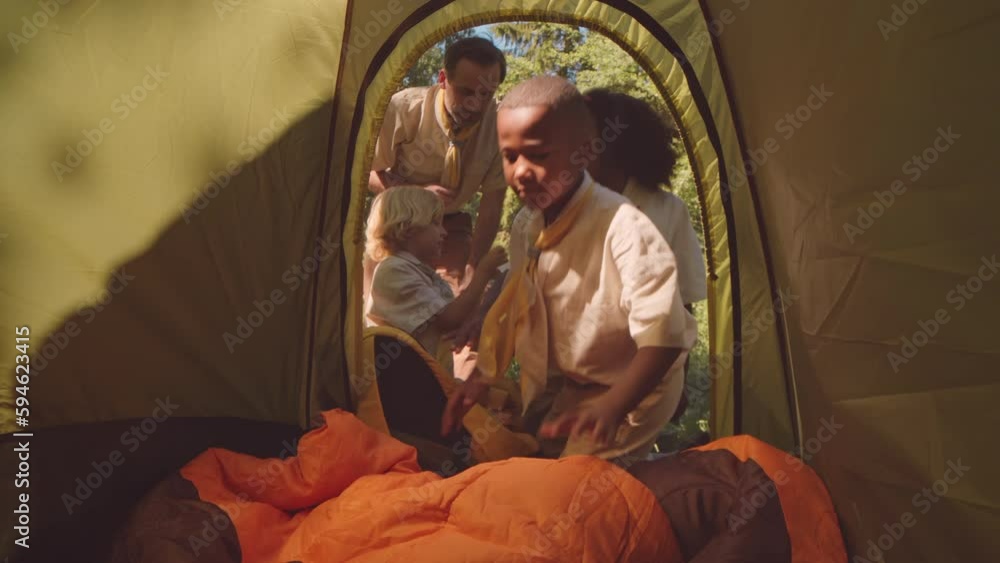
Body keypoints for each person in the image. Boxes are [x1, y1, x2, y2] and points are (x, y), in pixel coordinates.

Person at [441, 76, 697, 462]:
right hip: (572, 371)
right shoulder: (537, 218)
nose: (523, 171)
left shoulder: (640, 220)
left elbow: (670, 325)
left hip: (632, 380)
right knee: (541, 450)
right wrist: (482, 373)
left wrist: (618, 401)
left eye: (543, 152)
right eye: (511, 156)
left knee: (577, 479)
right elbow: (518, 290)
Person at [583, 89, 708, 422]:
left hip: (648, 377)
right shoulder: (564, 206)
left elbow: (681, 305)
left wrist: (678, 384)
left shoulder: (667, 210)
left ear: (614, 144)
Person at [368, 36, 509, 293]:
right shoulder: (404, 108)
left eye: (485, 94)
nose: (475, 105)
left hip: (449, 226)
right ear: (443, 79)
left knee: (451, 303)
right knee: (379, 304)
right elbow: (368, 172)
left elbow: (492, 203)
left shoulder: (500, 125)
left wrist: (472, 268)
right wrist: (414, 197)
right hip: (396, 221)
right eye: (466, 92)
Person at [364, 186, 507, 363]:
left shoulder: (420, 272)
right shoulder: (393, 270)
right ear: (408, 227)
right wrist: (482, 274)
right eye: (435, 223)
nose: (444, 232)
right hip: (407, 380)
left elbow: (457, 316)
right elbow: (449, 318)